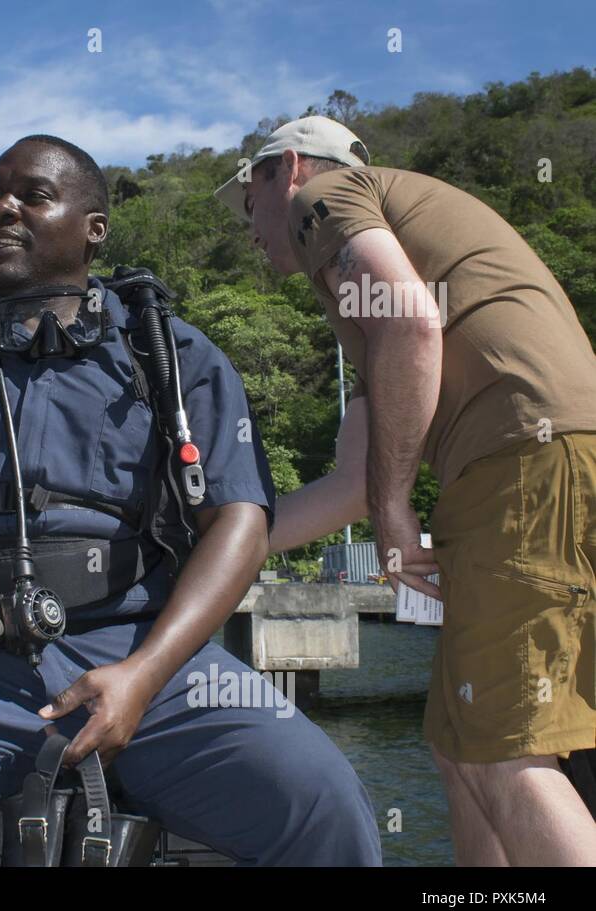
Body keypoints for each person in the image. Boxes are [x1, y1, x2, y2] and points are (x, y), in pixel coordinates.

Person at [0, 133, 382, 866]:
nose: (1, 208)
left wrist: (147, 673)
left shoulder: (175, 355)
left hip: (146, 659)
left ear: (95, 227)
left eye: (32, 195)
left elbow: (240, 521)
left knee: (320, 801)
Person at [215, 115, 596, 865]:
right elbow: (356, 483)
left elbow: (413, 327)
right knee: (459, 745)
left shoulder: (327, 200)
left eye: (247, 199)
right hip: (548, 465)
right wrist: (214, 541)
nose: (248, 227)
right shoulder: (368, 304)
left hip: (522, 462)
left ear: (288, 170)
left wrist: (395, 514)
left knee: (501, 753)